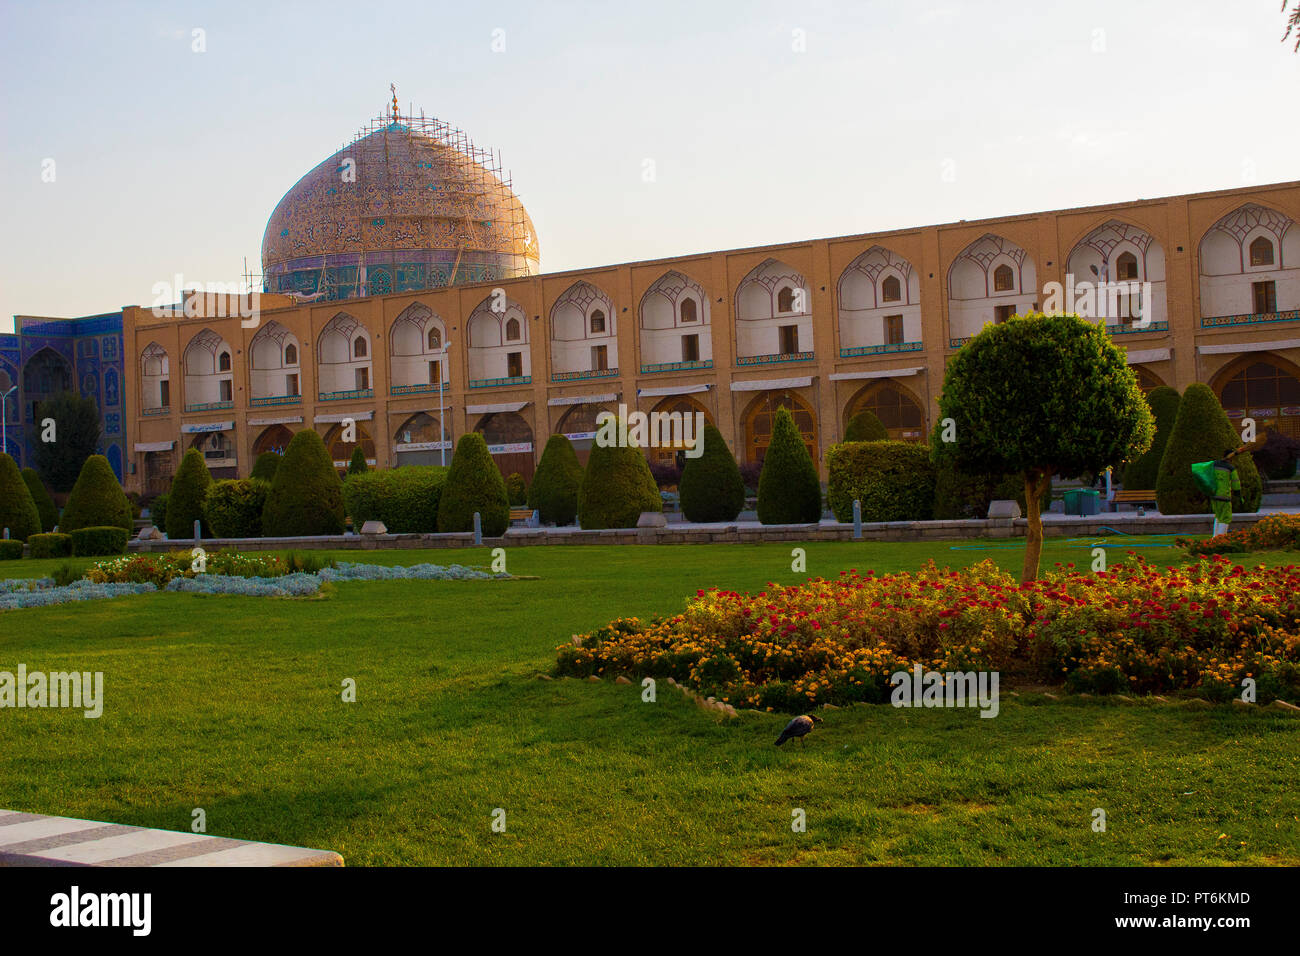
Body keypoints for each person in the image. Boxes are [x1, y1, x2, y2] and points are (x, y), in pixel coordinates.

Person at [1210, 448, 1242, 537]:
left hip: (1213, 495)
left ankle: (1214, 538)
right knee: (1226, 517)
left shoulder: (1213, 464)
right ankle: (1220, 539)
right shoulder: (1230, 468)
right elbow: (1236, 482)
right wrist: (1238, 494)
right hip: (1224, 497)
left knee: (1218, 516)